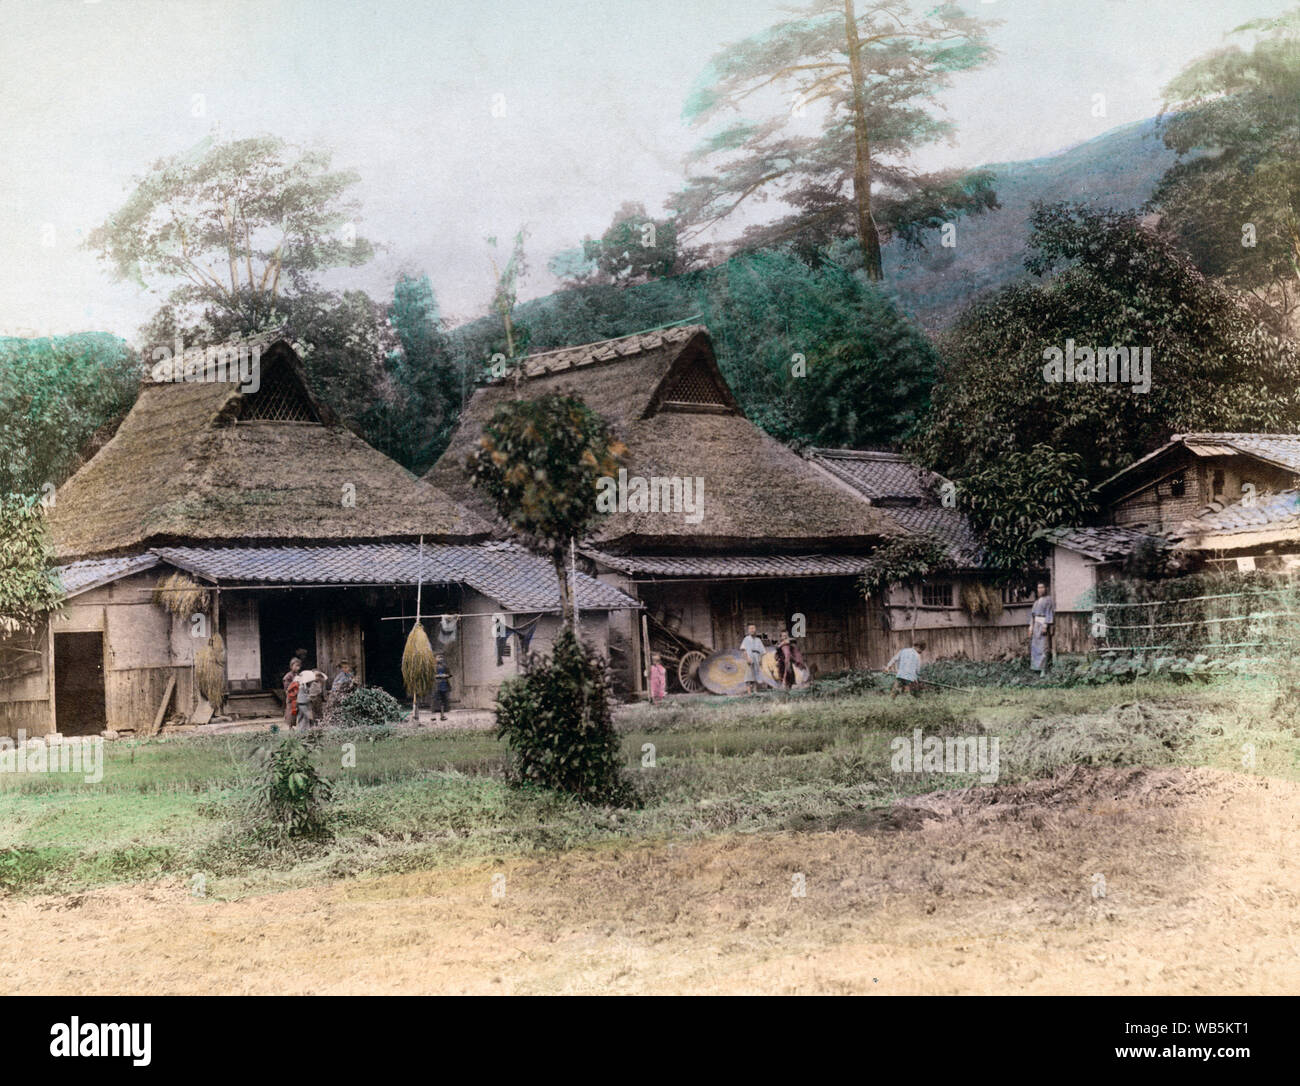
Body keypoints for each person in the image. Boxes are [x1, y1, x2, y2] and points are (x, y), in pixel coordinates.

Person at [1029, 581, 1055, 675]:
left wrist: (1045, 625)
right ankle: (1036, 668)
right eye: (1038, 588)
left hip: (1043, 624)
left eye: (1042, 587)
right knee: (1035, 647)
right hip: (1036, 625)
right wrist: (1031, 627)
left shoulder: (1048, 600)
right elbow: (1032, 615)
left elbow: (1049, 613)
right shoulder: (1036, 602)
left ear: (1045, 588)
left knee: (1043, 647)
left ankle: (1043, 669)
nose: (1040, 589)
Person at [740, 624, 765, 693]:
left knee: (756, 673)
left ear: (755, 629)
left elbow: (762, 651)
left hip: (756, 656)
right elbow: (744, 650)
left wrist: (760, 659)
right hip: (750, 656)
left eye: (753, 628)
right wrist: (747, 658)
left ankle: (755, 690)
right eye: (750, 629)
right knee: (748, 674)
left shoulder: (758, 640)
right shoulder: (746, 639)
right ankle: (749, 692)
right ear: (748, 630)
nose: (752, 630)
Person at [282, 657, 301, 727]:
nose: (297, 668)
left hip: (297, 695)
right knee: (290, 711)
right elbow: (287, 688)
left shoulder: (298, 675)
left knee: (297, 710)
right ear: (291, 666)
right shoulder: (288, 676)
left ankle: (296, 725)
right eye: (296, 666)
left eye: (299, 666)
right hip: (291, 695)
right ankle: (290, 726)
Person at [432, 655, 452, 721]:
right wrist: (437, 676)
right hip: (436, 685)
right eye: (439, 657)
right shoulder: (433, 667)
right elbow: (430, 675)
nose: (440, 659)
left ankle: (442, 715)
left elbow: (449, 674)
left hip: (444, 685)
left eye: (442, 657)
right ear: (435, 659)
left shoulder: (445, 666)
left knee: (443, 701)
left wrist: (445, 675)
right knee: (435, 700)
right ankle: (433, 716)